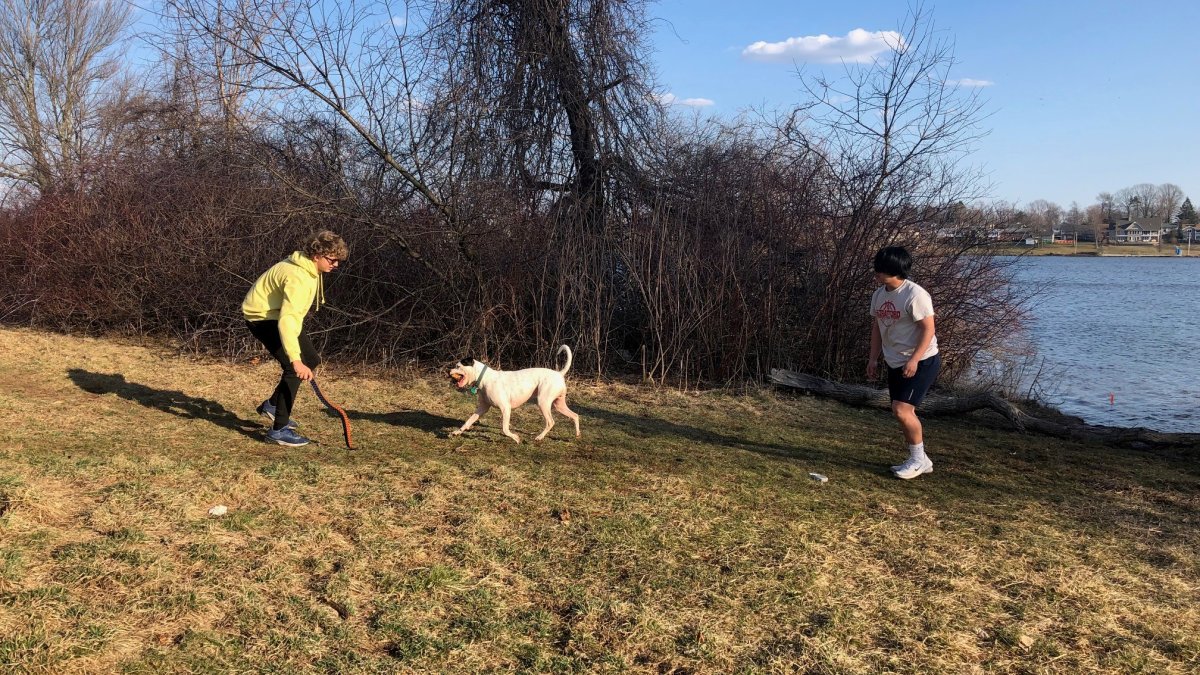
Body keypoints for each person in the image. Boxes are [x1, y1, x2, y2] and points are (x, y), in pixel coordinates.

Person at [243, 230, 349, 447]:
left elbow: (290, 317)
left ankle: (273, 406)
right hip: (262, 318)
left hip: (278, 315)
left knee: (311, 359)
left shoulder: (307, 267)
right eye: (332, 260)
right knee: (294, 368)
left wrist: (301, 359)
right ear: (316, 256)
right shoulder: (298, 276)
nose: (336, 264)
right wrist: (295, 359)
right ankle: (278, 430)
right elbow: (287, 321)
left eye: (338, 260)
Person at [867, 246, 941, 479]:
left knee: (902, 410)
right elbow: (877, 328)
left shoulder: (915, 295)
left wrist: (914, 360)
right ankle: (920, 459)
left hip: (922, 360)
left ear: (895, 270)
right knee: (900, 411)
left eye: (881, 270)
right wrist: (873, 359)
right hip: (894, 361)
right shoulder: (879, 295)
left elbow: (928, 330)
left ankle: (918, 461)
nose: (876, 274)